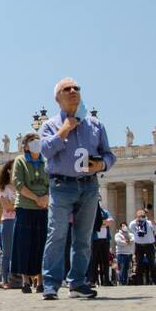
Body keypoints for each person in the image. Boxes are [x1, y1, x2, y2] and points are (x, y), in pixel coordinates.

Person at [39, 78, 115, 299]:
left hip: (89, 185)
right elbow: (45, 150)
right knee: (57, 234)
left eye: (76, 88)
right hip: (61, 185)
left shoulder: (95, 124)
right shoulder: (50, 125)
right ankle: (51, 284)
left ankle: (78, 282)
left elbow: (109, 154)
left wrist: (101, 164)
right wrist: (64, 130)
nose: (73, 91)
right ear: (57, 98)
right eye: (67, 89)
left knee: (84, 237)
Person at [10, 132, 50, 294]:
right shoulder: (20, 161)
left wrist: (46, 197)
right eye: (32, 142)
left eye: (38, 141)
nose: (36, 144)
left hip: (44, 207)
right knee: (24, 244)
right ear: (25, 146)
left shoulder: (46, 161)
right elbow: (18, 183)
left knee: (42, 244)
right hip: (25, 207)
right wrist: (36, 198)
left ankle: (41, 280)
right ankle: (25, 280)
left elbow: (53, 180)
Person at [0, 161, 20, 289]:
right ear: (9, 170)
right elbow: (6, 206)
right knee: (7, 252)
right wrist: (18, 205)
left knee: (20, 251)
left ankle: (19, 279)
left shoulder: (21, 186)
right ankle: (4, 279)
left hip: (21, 220)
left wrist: (13, 205)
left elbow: (12, 206)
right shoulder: (2, 188)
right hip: (8, 221)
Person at [130, 210, 156, 286]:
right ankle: (139, 281)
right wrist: (138, 219)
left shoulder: (149, 223)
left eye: (143, 216)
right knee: (139, 264)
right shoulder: (134, 223)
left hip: (149, 245)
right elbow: (130, 227)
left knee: (152, 263)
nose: (142, 217)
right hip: (139, 246)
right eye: (140, 216)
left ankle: (155, 280)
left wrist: (150, 217)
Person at [113, 221, 133, 286]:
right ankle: (122, 281)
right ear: (121, 227)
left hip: (128, 253)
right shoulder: (118, 235)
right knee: (122, 268)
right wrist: (127, 242)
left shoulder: (130, 234)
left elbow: (133, 240)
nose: (124, 227)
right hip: (121, 253)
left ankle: (125, 281)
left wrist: (127, 242)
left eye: (125, 226)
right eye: (123, 226)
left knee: (127, 268)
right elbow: (119, 242)